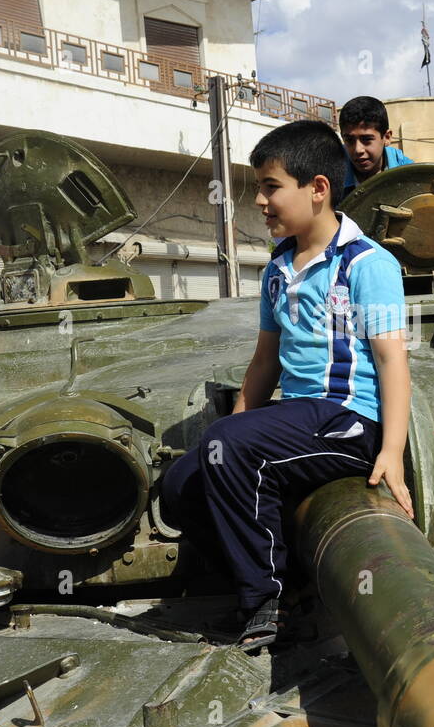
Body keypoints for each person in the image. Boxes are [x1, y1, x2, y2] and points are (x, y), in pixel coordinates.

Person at [160, 119, 413, 651]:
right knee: (181, 487)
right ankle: (285, 567)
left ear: (317, 189)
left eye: (271, 187)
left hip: (349, 421)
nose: (260, 201)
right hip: (299, 419)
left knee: (228, 451)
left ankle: (265, 600)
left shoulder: (368, 263)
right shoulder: (277, 268)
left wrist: (391, 451)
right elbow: (264, 362)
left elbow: (392, 360)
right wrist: (230, 427)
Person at [338, 96, 413, 199]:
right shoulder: (331, 178)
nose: (358, 150)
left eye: (366, 139)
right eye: (349, 140)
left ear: (387, 137)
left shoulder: (411, 176)